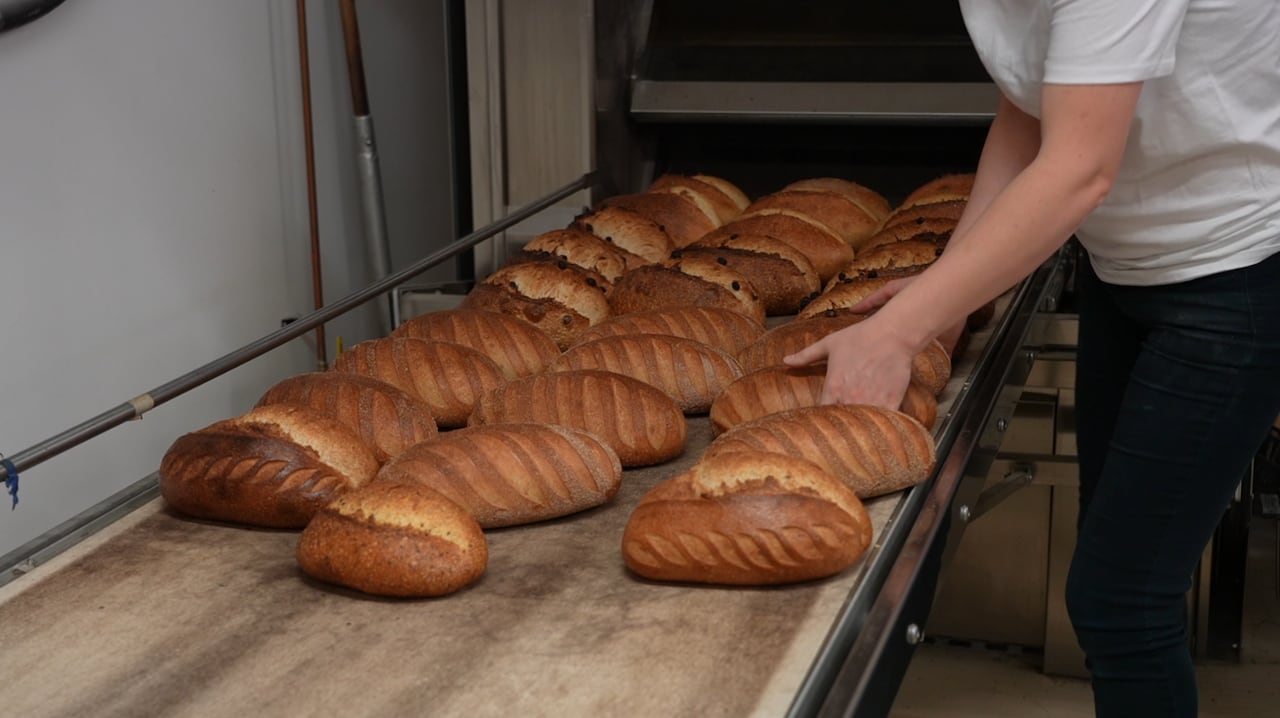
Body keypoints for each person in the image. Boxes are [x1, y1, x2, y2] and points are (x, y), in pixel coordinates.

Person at [784, 2, 1280, 716]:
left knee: (1119, 600)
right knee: (1122, 589)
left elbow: (1080, 169)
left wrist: (896, 332)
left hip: (1229, 279)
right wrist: (946, 298)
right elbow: (1028, 116)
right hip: (1123, 272)